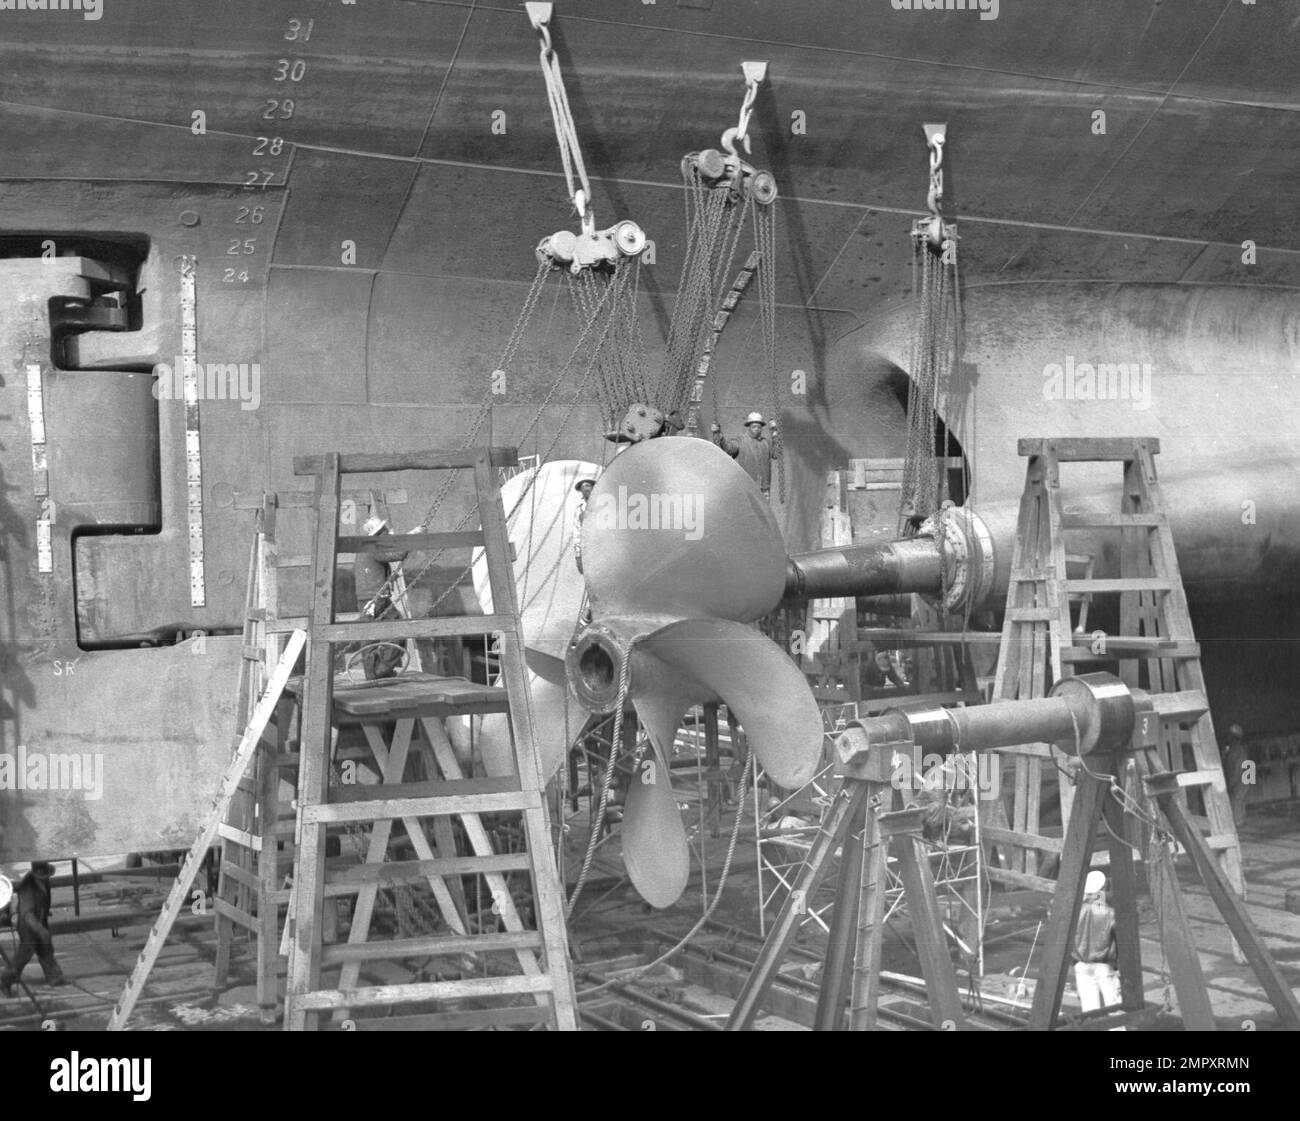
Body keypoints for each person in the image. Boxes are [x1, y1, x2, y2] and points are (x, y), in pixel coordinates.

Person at [0, 861, 64, 995]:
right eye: (42, 874)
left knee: (46, 949)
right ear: (36, 873)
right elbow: (27, 914)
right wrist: (40, 930)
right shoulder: (27, 887)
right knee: (24, 954)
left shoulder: (44, 882)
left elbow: (43, 901)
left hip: (41, 919)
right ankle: (5, 980)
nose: (45, 877)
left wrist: (45, 912)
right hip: (28, 926)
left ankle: (54, 977)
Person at [1073, 869, 1119, 1013]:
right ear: (1103, 889)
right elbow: (1120, 939)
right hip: (1104, 965)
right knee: (1115, 1010)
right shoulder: (1109, 912)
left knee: (1089, 1013)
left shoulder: (1075, 911)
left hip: (1081, 965)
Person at [711, 412, 779, 497]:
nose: (757, 429)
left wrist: (774, 434)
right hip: (747, 487)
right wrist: (718, 434)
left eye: (759, 427)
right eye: (754, 426)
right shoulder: (740, 441)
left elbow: (776, 454)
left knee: (764, 510)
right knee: (748, 509)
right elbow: (728, 449)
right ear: (749, 427)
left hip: (764, 488)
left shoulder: (766, 442)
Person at [1222, 723, 1251, 827]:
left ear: (1234, 738)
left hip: (1240, 783)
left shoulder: (1240, 751)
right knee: (1236, 805)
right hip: (1236, 783)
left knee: (1237, 805)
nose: (1227, 737)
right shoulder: (1230, 750)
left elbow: (1237, 770)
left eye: (1229, 736)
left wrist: (1231, 784)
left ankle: (1239, 826)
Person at [572, 477, 597, 574]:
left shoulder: (603, 504)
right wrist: (578, 555)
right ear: (581, 491)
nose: (586, 489)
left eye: (588, 486)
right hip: (588, 548)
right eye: (583, 487)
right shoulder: (579, 509)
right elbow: (577, 533)